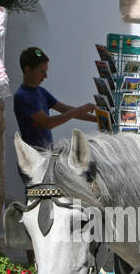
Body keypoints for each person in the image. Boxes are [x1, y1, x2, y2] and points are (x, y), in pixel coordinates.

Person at [13, 46, 95, 181]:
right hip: (32, 160)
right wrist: (79, 110)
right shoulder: (22, 96)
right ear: (27, 70)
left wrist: (98, 119)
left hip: (46, 157)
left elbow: (66, 110)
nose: (45, 76)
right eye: (41, 72)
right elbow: (48, 123)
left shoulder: (41, 92)